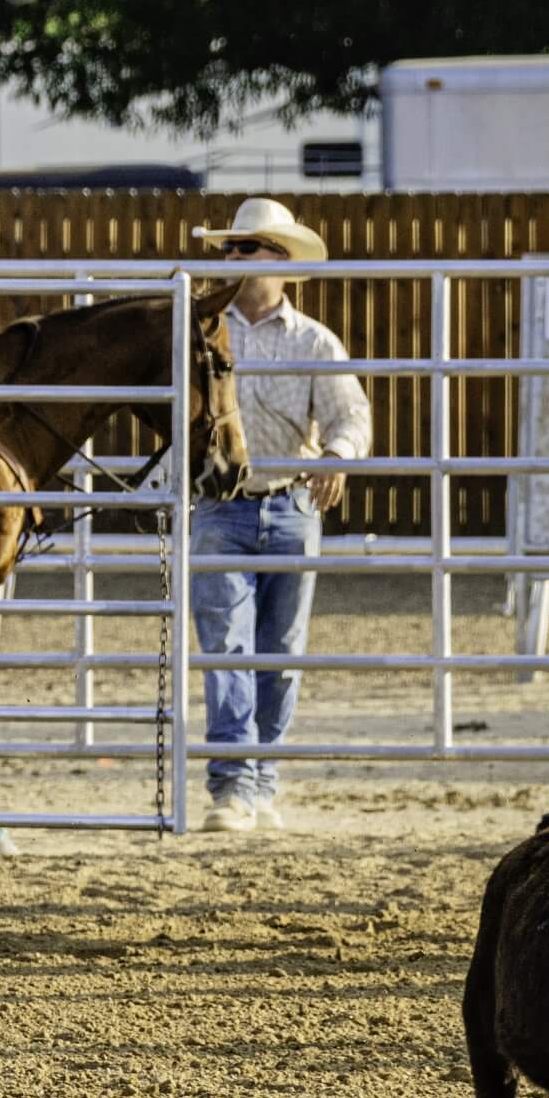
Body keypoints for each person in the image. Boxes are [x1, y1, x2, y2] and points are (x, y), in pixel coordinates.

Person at [190, 198, 373, 833]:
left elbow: (352, 414)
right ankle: (236, 784)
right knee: (226, 647)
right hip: (221, 504)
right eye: (229, 249)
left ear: (279, 259)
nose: (232, 259)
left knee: (281, 652)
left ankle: (260, 776)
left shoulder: (315, 340)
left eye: (245, 248)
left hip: (293, 502)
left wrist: (337, 455)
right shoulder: (206, 329)